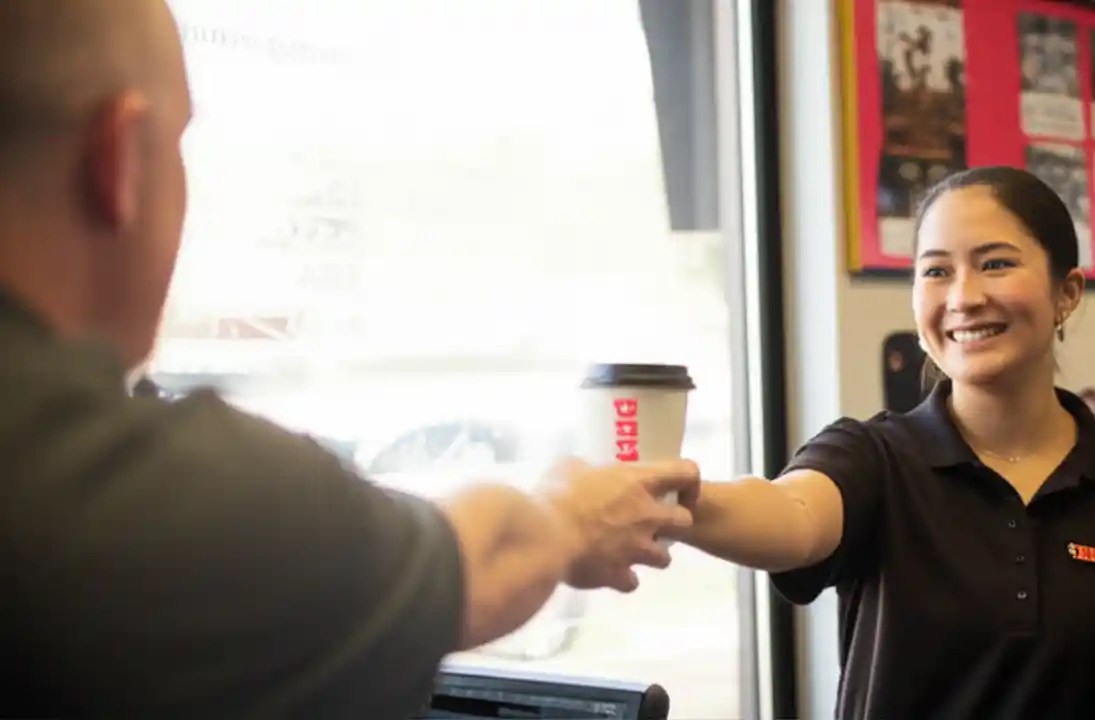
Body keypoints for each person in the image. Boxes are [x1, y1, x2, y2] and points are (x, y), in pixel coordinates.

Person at [0, 2, 699, 717]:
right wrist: (569, 517)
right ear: (115, 159)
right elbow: (484, 562)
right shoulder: (134, 495)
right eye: (176, 146)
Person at [677, 167, 1095, 718]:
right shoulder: (873, 459)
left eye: (996, 264)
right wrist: (675, 504)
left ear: (1067, 292)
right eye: (935, 272)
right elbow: (791, 515)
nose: (963, 297)